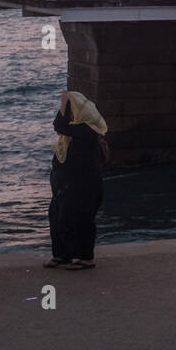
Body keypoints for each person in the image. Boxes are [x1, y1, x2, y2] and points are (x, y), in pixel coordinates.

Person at [45, 90, 107, 270]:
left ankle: (84, 257)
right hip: (66, 183)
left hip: (83, 183)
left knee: (80, 218)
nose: (67, 113)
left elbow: (59, 124)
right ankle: (62, 255)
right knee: (58, 217)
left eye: (71, 109)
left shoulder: (87, 129)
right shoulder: (74, 130)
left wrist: (64, 104)